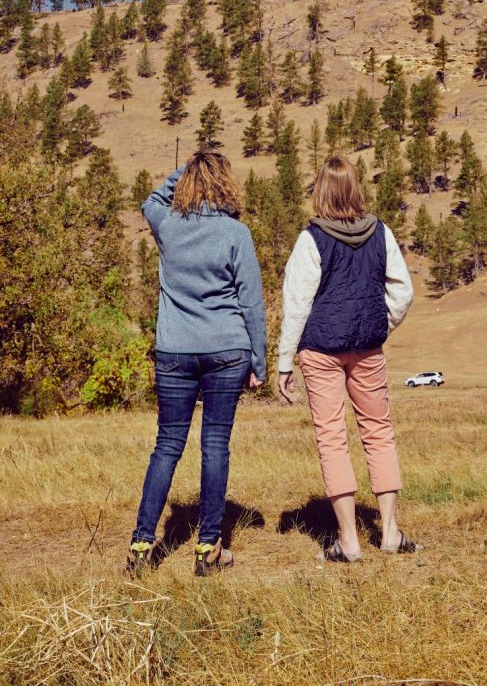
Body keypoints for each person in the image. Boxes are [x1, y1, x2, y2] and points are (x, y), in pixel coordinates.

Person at [127, 151, 266, 576]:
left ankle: (141, 545)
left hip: (174, 351)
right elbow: (252, 302)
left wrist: (184, 170)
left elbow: (151, 198)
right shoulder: (235, 233)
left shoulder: (167, 225)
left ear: (186, 183)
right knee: (214, 445)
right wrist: (258, 360)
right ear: (226, 185)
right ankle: (208, 548)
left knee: (167, 445)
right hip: (227, 349)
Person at [278, 156, 416, 561]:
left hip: (320, 349)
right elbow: (403, 292)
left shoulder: (311, 238)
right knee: (379, 431)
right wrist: (380, 323)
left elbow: (297, 304)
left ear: (320, 190)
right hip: (368, 348)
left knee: (332, 438)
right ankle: (389, 533)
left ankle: (349, 541)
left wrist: (285, 361)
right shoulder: (381, 233)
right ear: (356, 189)